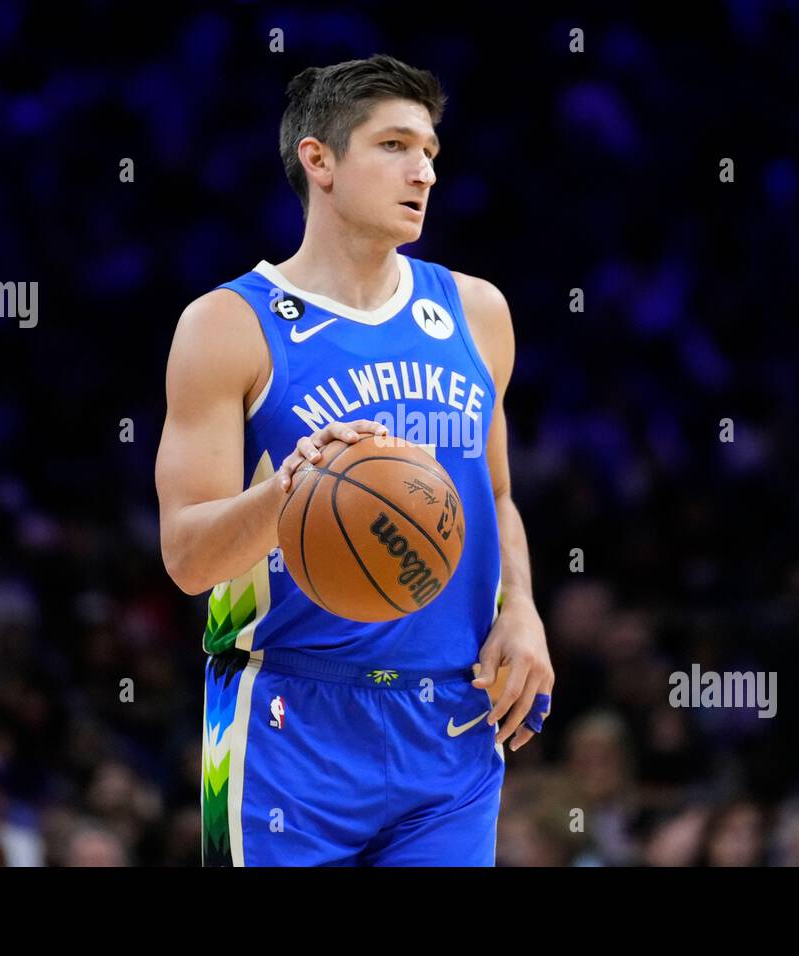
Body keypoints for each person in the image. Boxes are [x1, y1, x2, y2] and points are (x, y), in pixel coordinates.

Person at [156, 54, 553, 866]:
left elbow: (500, 496)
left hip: (450, 721)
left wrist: (521, 611)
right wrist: (291, 493)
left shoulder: (477, 311)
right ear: (319, 159)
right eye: (396, 146)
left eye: (432, 152)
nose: (425, 172)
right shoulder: (227, 325)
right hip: (285, 721)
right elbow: (189, 558)